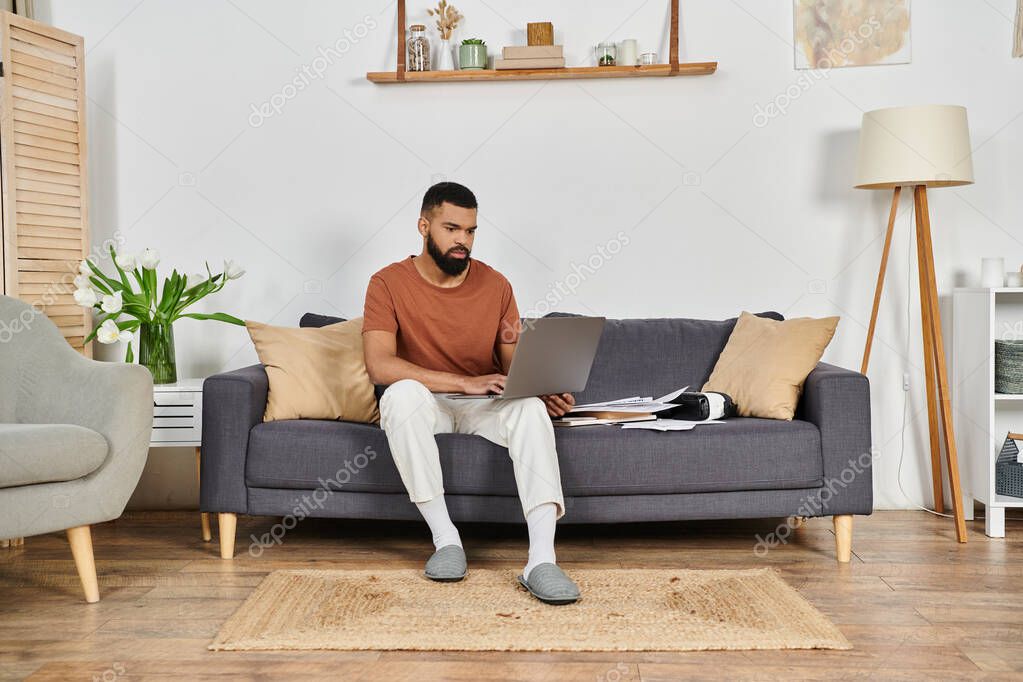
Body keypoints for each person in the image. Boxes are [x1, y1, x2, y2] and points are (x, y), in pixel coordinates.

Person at [362, 182, 580, 605]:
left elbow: (511, 359)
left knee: (532, 411)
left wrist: (542, 384)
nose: (463, 240)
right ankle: (446, 541)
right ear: (424, 226)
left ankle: (541, 559)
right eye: (451, 228)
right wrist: (464, 382)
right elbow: (380, 365)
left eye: (471, 231)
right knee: (401, 396)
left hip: (485, 404)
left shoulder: (496, 284)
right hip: (429, 402)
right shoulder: (386, 283)